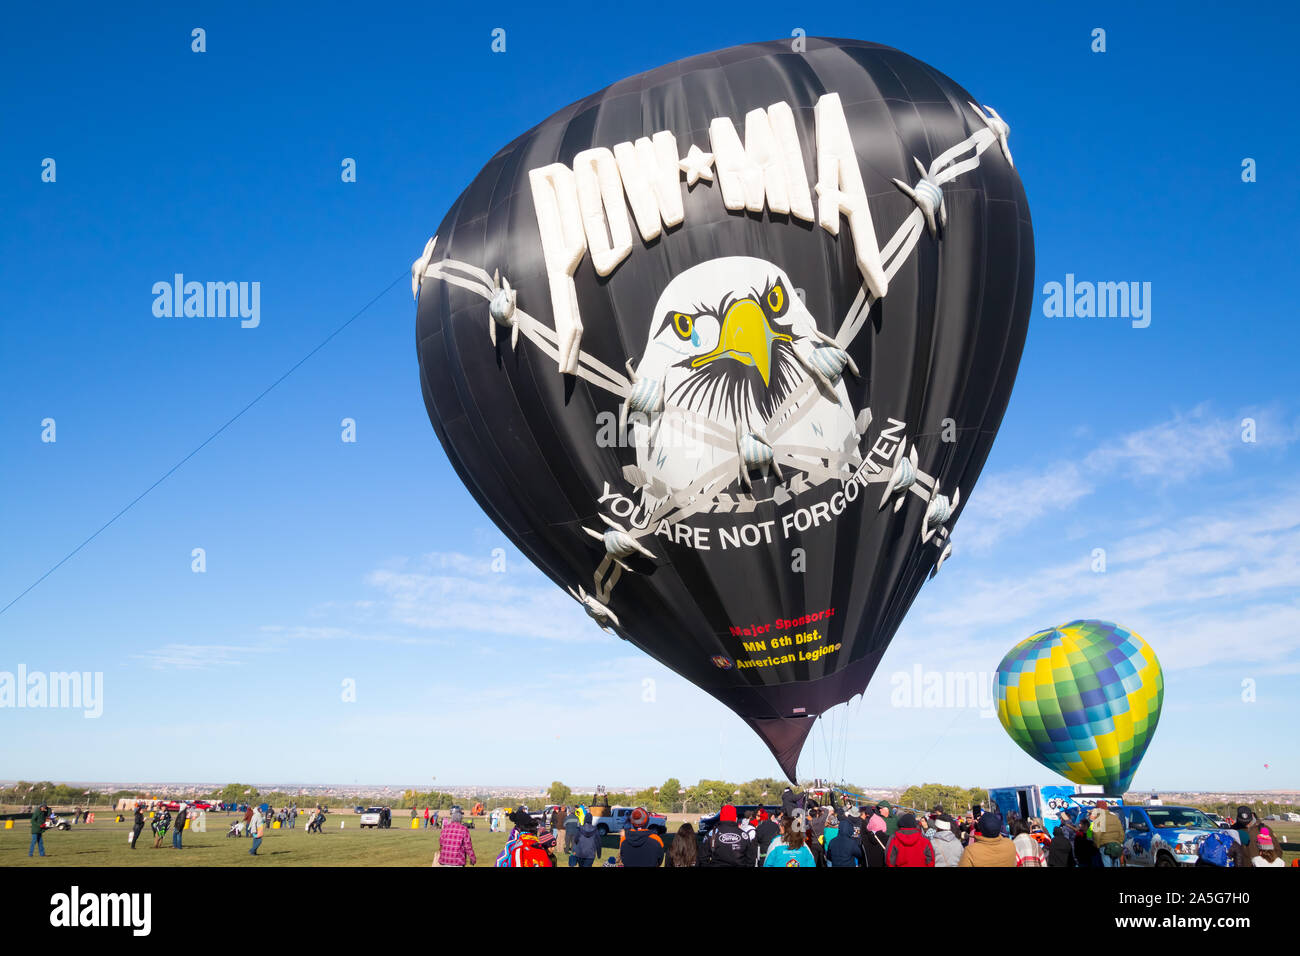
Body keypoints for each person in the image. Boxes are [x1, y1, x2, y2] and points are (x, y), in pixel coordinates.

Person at [1089, 801, 1124, 868]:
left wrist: (1097, 844)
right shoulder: (1115, 817)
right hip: (1116, 845)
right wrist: (1119, 842)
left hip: (1104, 846)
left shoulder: (1098, 818)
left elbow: (1097, 834)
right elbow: (1121, 832)